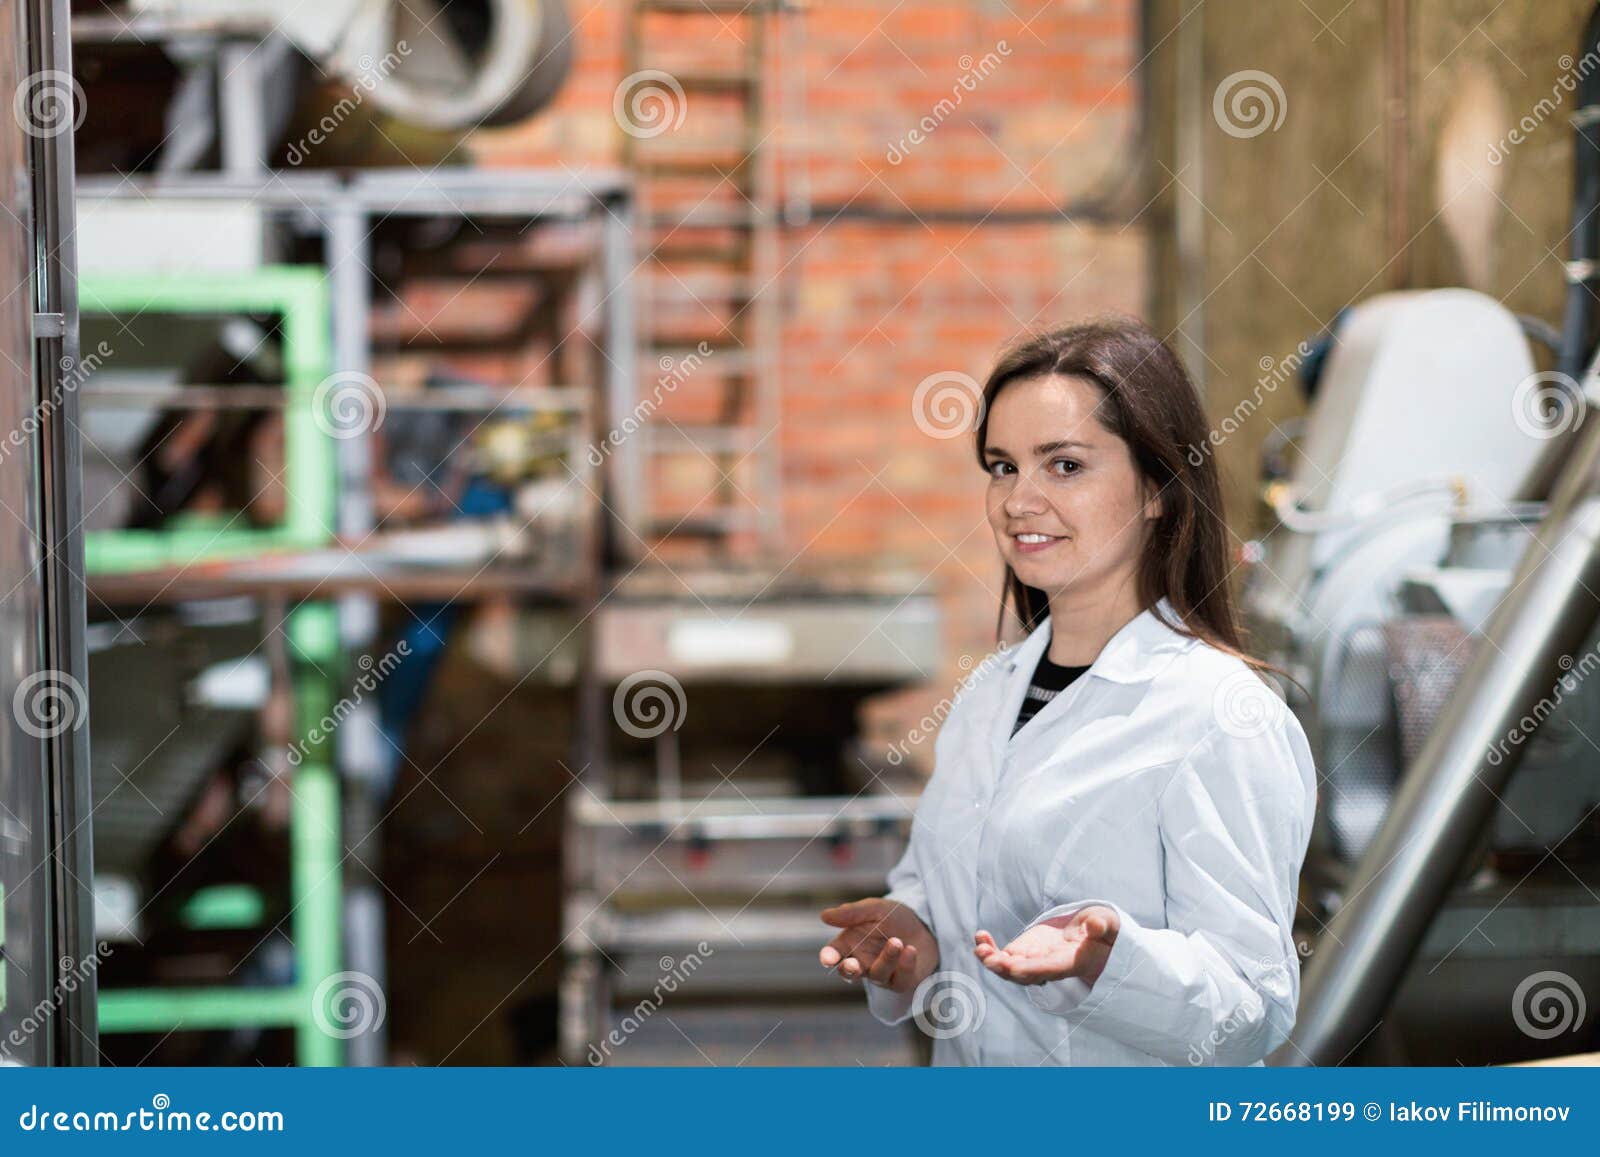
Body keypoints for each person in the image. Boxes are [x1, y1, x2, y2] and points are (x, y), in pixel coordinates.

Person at [817, 318, 1316, 1066]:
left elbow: (1255, 1011)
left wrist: (1111, 961)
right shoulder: (990, 693)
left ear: (1157, 487)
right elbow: (936, 889)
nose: (1018, 500)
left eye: (1065, 465)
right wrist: (912, 937)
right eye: (1002, 466)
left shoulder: (1218, 714)